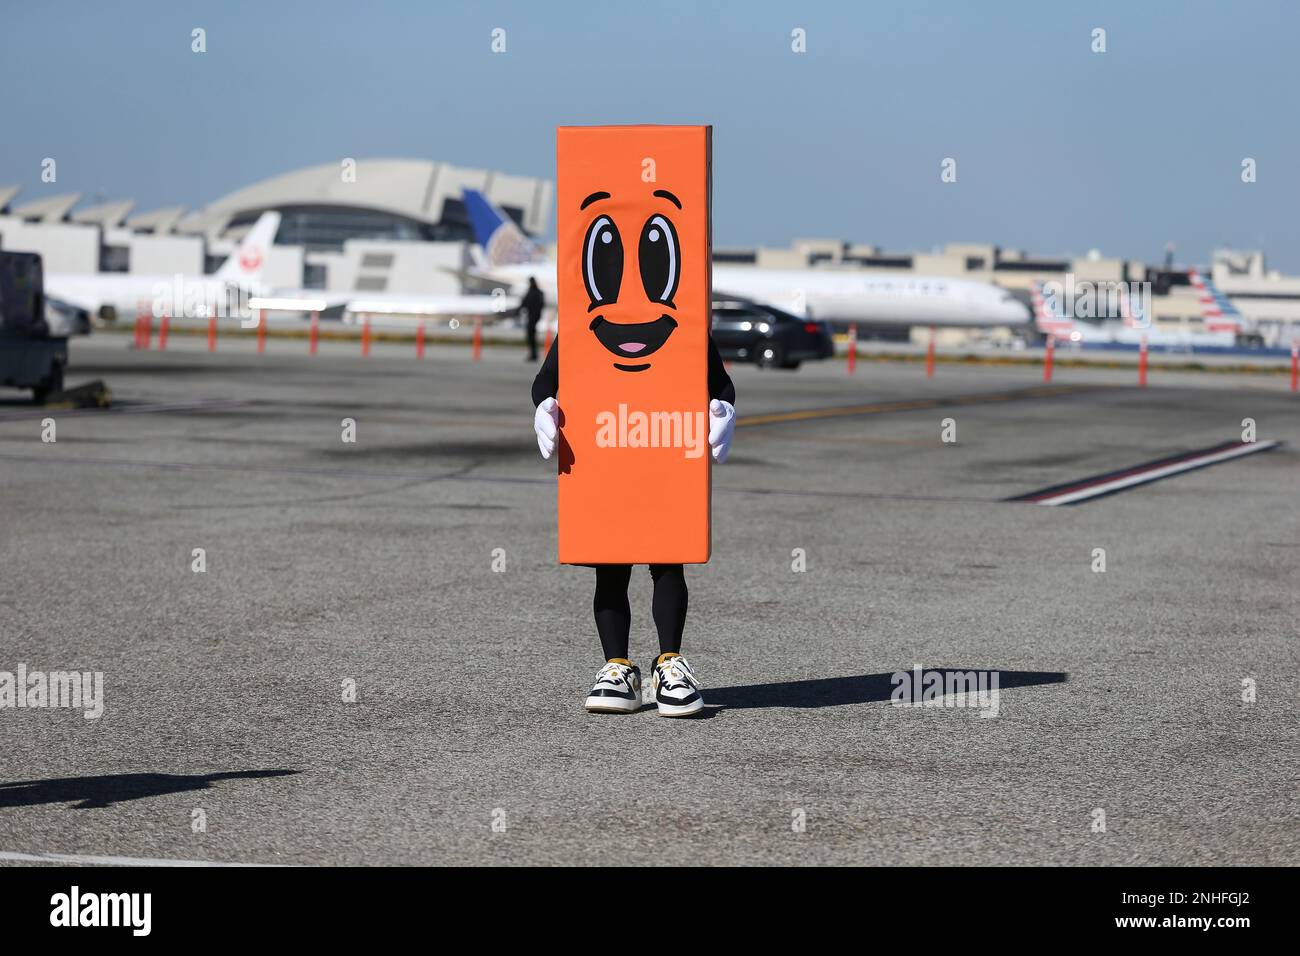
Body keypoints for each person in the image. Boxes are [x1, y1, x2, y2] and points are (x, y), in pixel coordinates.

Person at [531, 335, 736, 717]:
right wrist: (544, 405)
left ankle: (670, 664)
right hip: (605, 448)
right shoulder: (583, 326)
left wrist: (722, 408)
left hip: (665, 443)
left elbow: (719, 381)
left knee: (668, 557)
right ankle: (617, 667)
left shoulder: (684, 327)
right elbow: (546, 379)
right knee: (610, 563)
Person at [517, 277, 545, 361]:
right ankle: (533, 354)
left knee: (531, 335)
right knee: (531, 335)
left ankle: (533, 354)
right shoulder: (538, 292)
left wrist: (517, 311)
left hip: (533, 316)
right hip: (534, 316)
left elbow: (524, 303)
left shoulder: (532, 292)